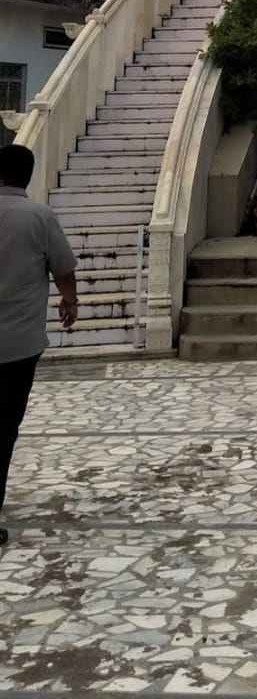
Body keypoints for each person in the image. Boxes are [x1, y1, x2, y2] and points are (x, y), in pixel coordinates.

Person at [0, 143, 78, 548]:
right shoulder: (38, 216)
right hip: (18, 343)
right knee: (4, 427)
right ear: (27, 177)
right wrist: (71, 301)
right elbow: (63, 268)